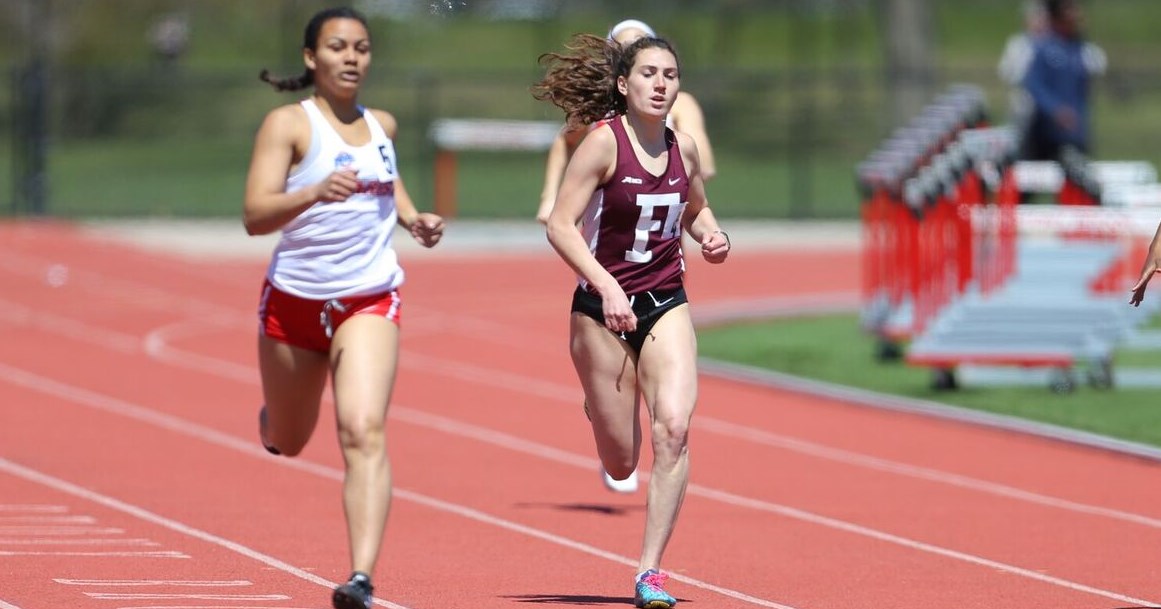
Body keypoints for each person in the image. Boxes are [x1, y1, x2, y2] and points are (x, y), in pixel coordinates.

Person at [242, 7, 444, 609]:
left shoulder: (383, 124)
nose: (352, 57)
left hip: (369, 297)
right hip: (294, 303)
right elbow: (254, 216)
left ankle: (360, 578)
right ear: (311, 57)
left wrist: (413, 218)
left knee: (362, 429)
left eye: (361, 47)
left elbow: (388, 181)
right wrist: (313, 191)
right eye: (337, 46)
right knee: (290, 439)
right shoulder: (289, 125)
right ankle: (272, 421)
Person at [532, 33, 730, 608]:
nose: (660, 84)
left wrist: (712, 235)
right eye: (648, 73)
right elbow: (561, 225)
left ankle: (650, 573)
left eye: (670, 74)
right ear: (623, 84)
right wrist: (607, 286)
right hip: (601, 311)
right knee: (621, 462)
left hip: (666, 301)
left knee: (674, 429)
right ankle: (600, 406)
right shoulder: (602, 143)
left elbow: (696, 208)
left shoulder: (683, 148)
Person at [1019, 0, 1105, 163]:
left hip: (1076, 132)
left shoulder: (1080, 48)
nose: (1076, 14)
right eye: (1070, 9)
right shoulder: (1044, 47)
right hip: (1047, 134)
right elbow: (1034, 83)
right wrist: (1055, 109)